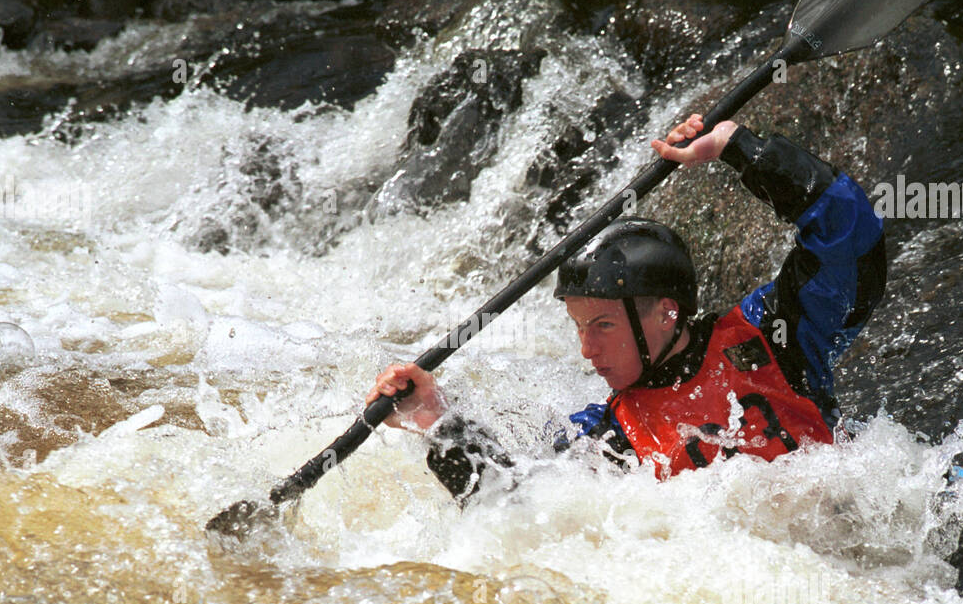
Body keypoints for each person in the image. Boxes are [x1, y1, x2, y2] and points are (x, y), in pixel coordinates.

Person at [366, 114, 887, 503]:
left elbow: (849, 228)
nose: (587, 350)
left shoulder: (775, 333)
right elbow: (519, 510)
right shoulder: (609, 437)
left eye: (603, 325)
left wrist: (737, 146)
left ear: (666, 312)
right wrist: (437, 422)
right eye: (578, 327)